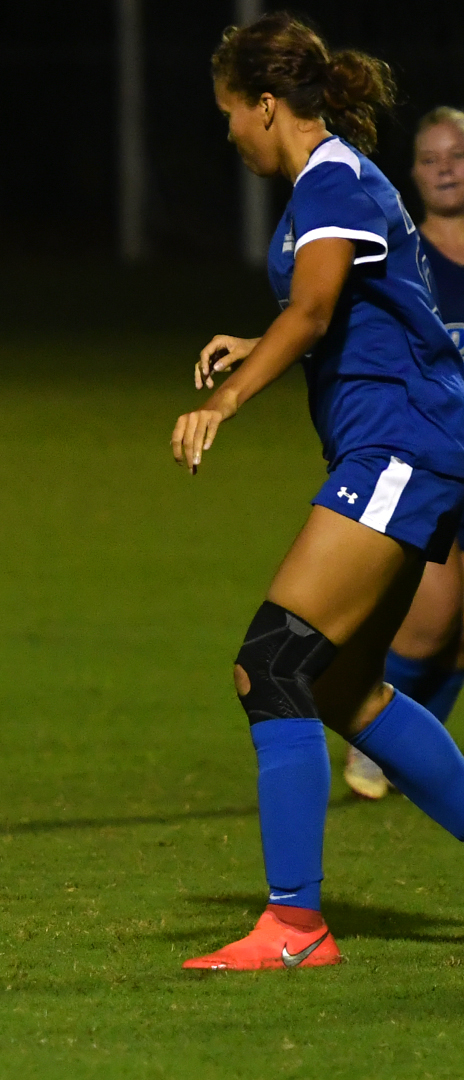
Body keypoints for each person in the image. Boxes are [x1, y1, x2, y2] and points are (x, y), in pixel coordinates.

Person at [174, 14, 464, 971]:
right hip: (410, 444)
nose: (226, 134)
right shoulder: (328, 184)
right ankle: (296, 922)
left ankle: (296, 927)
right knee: (342, 684)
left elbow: (316, 308)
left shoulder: (333, 179)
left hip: (401, 450)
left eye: (229, 113)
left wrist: (224, 402)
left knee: (272, 664)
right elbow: (351, 311)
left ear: (265, 105)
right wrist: (261, 343)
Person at [349, 106, 464, 799]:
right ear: (413, 174)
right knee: (431, 621)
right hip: (438, 456)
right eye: (431, 158)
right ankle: (370, 724)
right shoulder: (409, 259)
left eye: (459, 153)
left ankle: (412, 760)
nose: (447, 167)